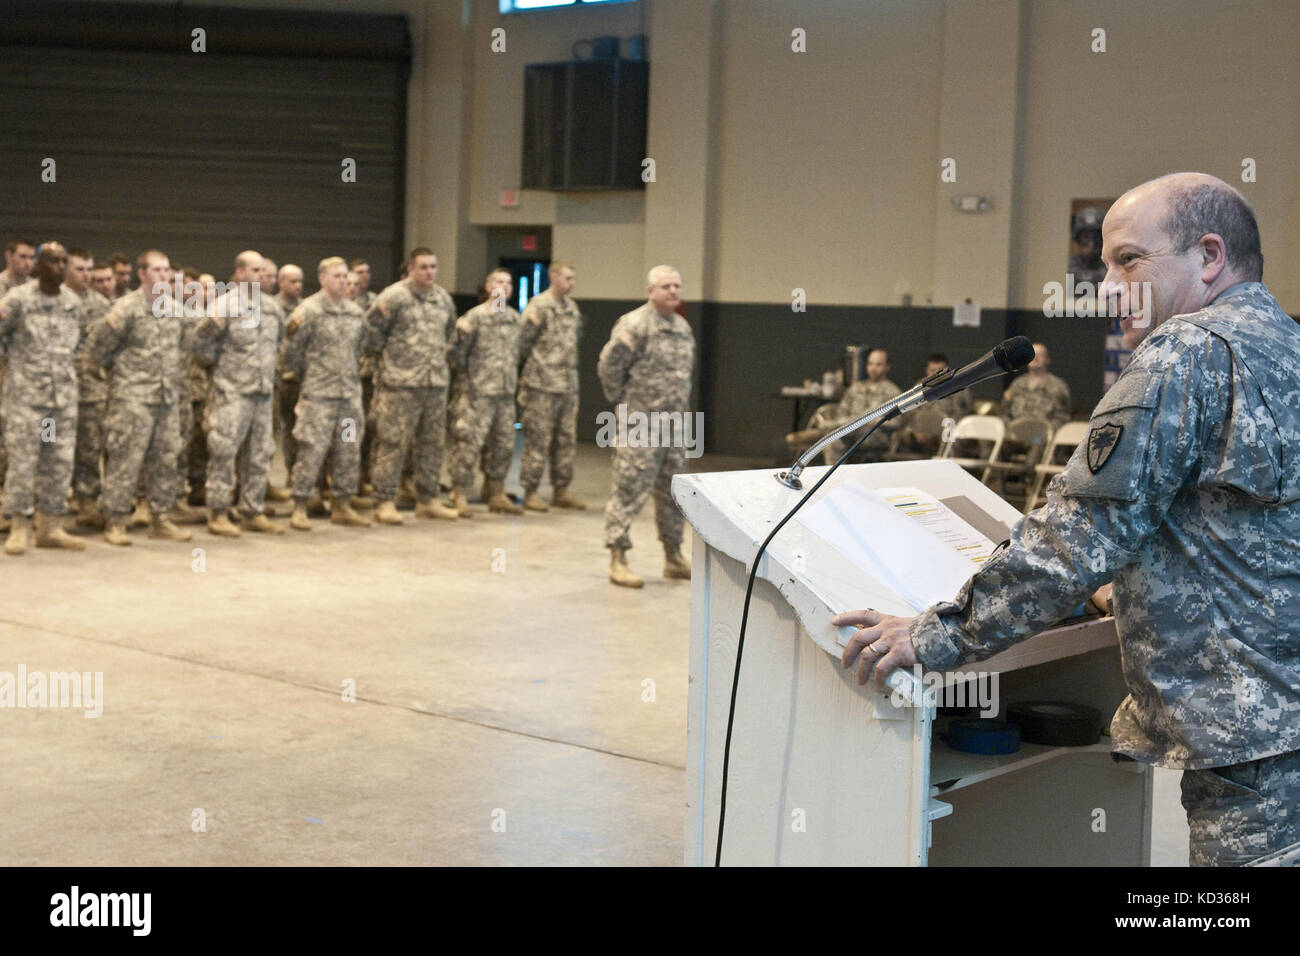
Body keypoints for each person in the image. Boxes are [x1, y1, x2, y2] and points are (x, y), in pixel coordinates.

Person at [838, 172, 1300, 867]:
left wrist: (932, 636)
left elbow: (1073, 539)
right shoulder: (1285, 348)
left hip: (1253, 741)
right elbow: (1241, 530)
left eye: (1130, 260)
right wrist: (1140, 589)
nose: (1107, 287)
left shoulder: (1183, 353)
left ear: (1209, 257)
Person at [598, 265, 695, 588]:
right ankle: (618, 558)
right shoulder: (634, 324)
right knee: (629, 489)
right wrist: (622, 402)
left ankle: (673, 556)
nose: (673, 291)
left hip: (676, 424)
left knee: (673, 494)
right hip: (641, 423)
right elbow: (610, 365)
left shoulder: (682, 327)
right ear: (651, 291)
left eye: (677, 286)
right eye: (666, 286)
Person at [88, 249, 193, 545]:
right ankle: (116, 519)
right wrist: (124, 380)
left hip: (166, 398)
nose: (164, 276)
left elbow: (185, 348)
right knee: (126, 458)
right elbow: (99, 351)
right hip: (133, 398)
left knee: (165, 459)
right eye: (157, 271)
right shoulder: (126, 309)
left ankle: (160, 518)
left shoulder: (176, 310)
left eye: (167, 271)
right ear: (142, 274)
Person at [0, 242, 86, 554]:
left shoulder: (72, 302)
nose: (59, 267)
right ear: (38, 265)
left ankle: (51, 525)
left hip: (59, 403)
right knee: (23, 461)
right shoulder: (17, 300)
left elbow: (80, 342)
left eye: (64, 262)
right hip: (27, 400)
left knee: (57, 461)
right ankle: (20, 524)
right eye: (52, 261)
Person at [191, 250, 284, 536]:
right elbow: (200, 346)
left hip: (262, 392)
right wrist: (224, 372)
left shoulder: (271, 308)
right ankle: (218, 512)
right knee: (224, 451)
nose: (262, 276)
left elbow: (278, 344)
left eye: (264, 271)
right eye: (255, 271)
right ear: (240, 273)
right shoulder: (224, 306)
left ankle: (252, 510)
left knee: (260, 454)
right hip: (232, 392)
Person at [365, 248, 459, 524]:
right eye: (424, 267)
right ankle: (384, 500)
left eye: (433, 267)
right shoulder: (393, 297)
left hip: (434, 383)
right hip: (400, 385)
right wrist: (392, 363)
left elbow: (449, 334)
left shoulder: (442, 299)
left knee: (432, 443)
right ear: (411, 269)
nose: (430, 272)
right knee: (393, 443)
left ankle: (427, 499)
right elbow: (371, 335)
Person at [281, 257, 370, 530]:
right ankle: (300, 504)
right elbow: (291, 352)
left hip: (348, 398)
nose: (343, 281)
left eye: (345, 276)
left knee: (348, 450)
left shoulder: (356, 313)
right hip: (319, 396)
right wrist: (310, 375)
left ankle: (342, 504)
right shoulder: (307, 311)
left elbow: (360, 348)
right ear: (322, 279)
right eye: (337, 276)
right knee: (311, 450)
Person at [449, 268, 525, 517]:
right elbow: (455, 354)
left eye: (509, 282)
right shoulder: (474, 318)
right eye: (499, 282)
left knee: (503, 444)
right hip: (478, 393)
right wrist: (468, 380)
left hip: (504, 393)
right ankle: (458, 492)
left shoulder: (515, 319)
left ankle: (496, 492)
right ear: (490, 287)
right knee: (469, 443)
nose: (505, 286)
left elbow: (519, 354)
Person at [517, 260, 585, 512]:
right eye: (568, 278)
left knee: (566, 439)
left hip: (567, 384)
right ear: (553, 277)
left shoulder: (572, 308)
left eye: (573, 278)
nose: (572, 283)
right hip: (541, 384)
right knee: (538, 438)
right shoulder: (539, 306)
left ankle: (561, 490)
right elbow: (522, 344)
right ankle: (531, 491)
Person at [64, 249, 113, 530]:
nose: (86, 275)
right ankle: (44, 504)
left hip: (91, 391)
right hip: (54, 392)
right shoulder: (54, 300)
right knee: (50, 445)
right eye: (80, 269)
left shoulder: (101, 305)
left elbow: (110, 348)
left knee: (89, 446)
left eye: (88, 269)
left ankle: (87, 501)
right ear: (67, 271)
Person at [787, 348, 901, 464]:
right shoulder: (856, 387)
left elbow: (896, 422)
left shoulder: (893, 392)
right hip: (847, 432)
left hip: (873, 435)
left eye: (878, 364)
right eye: (870, 364)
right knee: (833, 441)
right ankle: (836, 478)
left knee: (846, 428)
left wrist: (873, 421)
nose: (873, 368)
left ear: (887, 367)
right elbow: (842, 411)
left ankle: (820, 431)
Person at [896, 353, 971, 456]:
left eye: (939, 370)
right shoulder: (919, 388)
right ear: (927, 371)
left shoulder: (958, 387)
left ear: (947, 369)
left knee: (949, 438)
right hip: (920, 431)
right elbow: (911, 413)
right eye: (932, 370)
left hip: (946, 429)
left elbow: (959, 417)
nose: (936, 374)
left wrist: (933, 432)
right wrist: (917, 431)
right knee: (899, 436)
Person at [999, 342, 1071, 430]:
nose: (1035, 358)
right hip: (1014, 438)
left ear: (1047, 359)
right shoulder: (1017, 384)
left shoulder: (1058, 386)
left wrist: (1044, 432)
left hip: (1044, 439)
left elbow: (1063, 418)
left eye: (1040, 355)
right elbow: (1004, 412)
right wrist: (1010, 429)